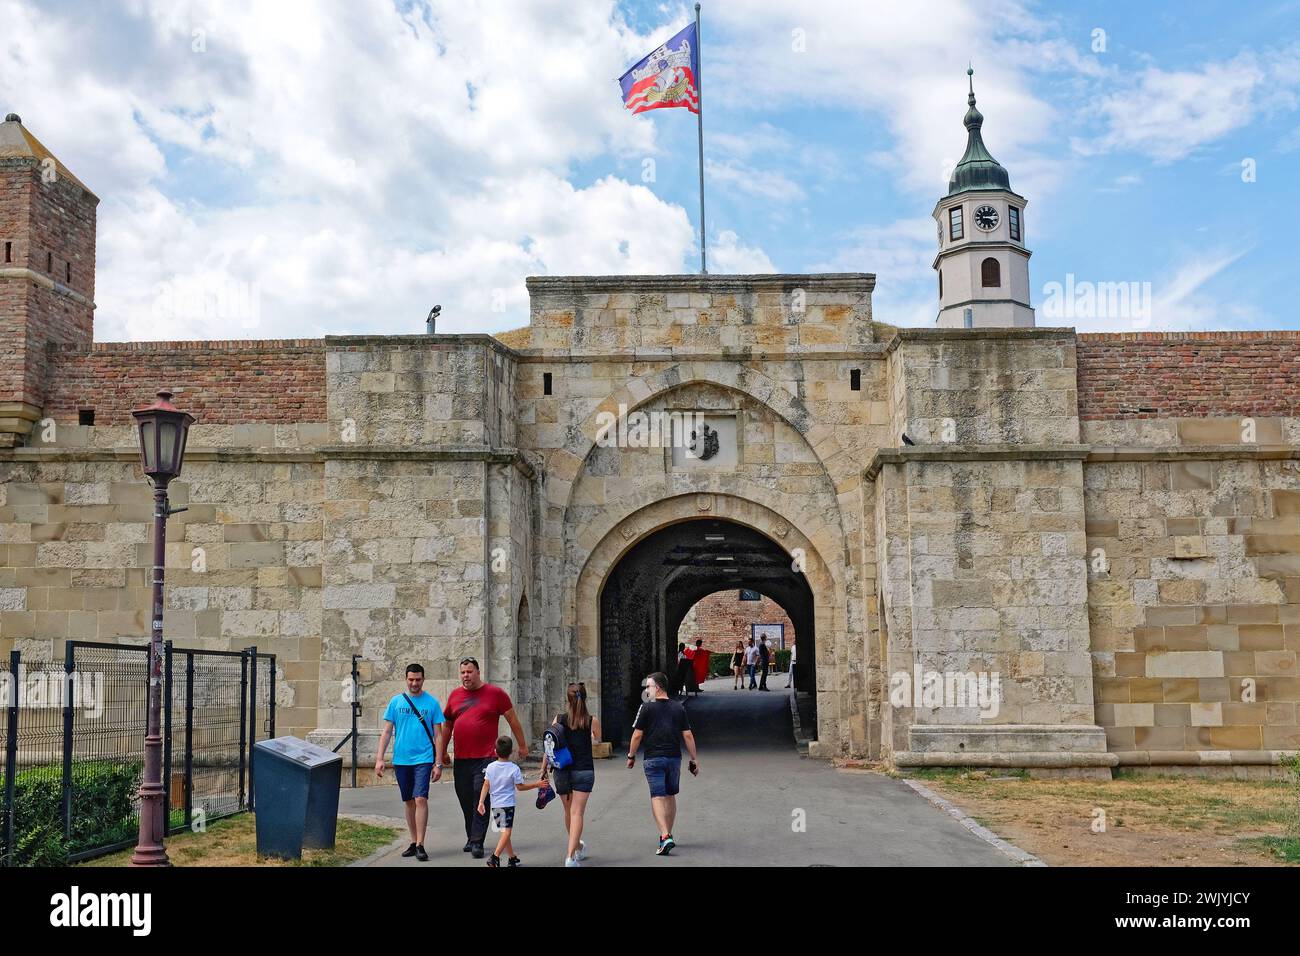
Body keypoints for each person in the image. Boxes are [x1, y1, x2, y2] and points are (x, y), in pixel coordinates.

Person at [444, 657, 528, 859]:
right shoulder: (455, 696)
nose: (466, 676)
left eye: (470, 672)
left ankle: (477, 841)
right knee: (465, 798)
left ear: (478, 672)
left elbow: (513, 719)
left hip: (486, 758)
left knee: (479, 796)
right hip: (462, 758)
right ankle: (471, 836)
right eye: (463, 672)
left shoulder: (495, 694)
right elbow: (447, 725)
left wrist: (523, 745)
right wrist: (442, 751)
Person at [374, 663, 445, 862]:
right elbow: (387, 731)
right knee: (409, 801)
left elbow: (438, 735)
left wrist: (438, 762)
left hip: (423, 758)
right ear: (406, 679)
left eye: (418, 679)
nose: (414, 683)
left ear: (423, 679)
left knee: (421, 798)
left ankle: (421, 843)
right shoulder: (396, 702)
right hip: (401, 759)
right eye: (411, 679)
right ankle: (413, 842)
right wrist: (380, 759)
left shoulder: (431, 703)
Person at [625, 671, 699, 856]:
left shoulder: (646, 708)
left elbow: (637, 735)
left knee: (657, 796)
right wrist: (693, 758)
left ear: (657, 687)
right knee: (670, 795)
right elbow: (687, 734)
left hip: (653, 758)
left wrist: (631, 755)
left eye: (648, 686)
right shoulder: (678, 708)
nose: (647, 690)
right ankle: (668, 834)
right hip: (674, 758)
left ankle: (665, 835)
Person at [541, 682, 601, 867]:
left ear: (567, 699)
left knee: (568, 812)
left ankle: (575, 849)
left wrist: (543, 768)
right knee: (577, 813)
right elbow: (598, 739)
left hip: (562, 771)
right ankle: (570, 855)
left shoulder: (559, 719)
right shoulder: (592, 720)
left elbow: (549, 745)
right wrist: (590, 737)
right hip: (584, 770)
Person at [477, 735, 546, 867]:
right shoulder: (514, 768)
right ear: (511, 752)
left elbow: (486, 785)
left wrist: (481, 802)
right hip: (508, 805)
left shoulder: (490, 767)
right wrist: (537, 784)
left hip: (495, 804)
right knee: (507, 832)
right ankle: (495, 857)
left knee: (504, 832)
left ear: (495, 751)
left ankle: (512, 858)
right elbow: (520, 787)